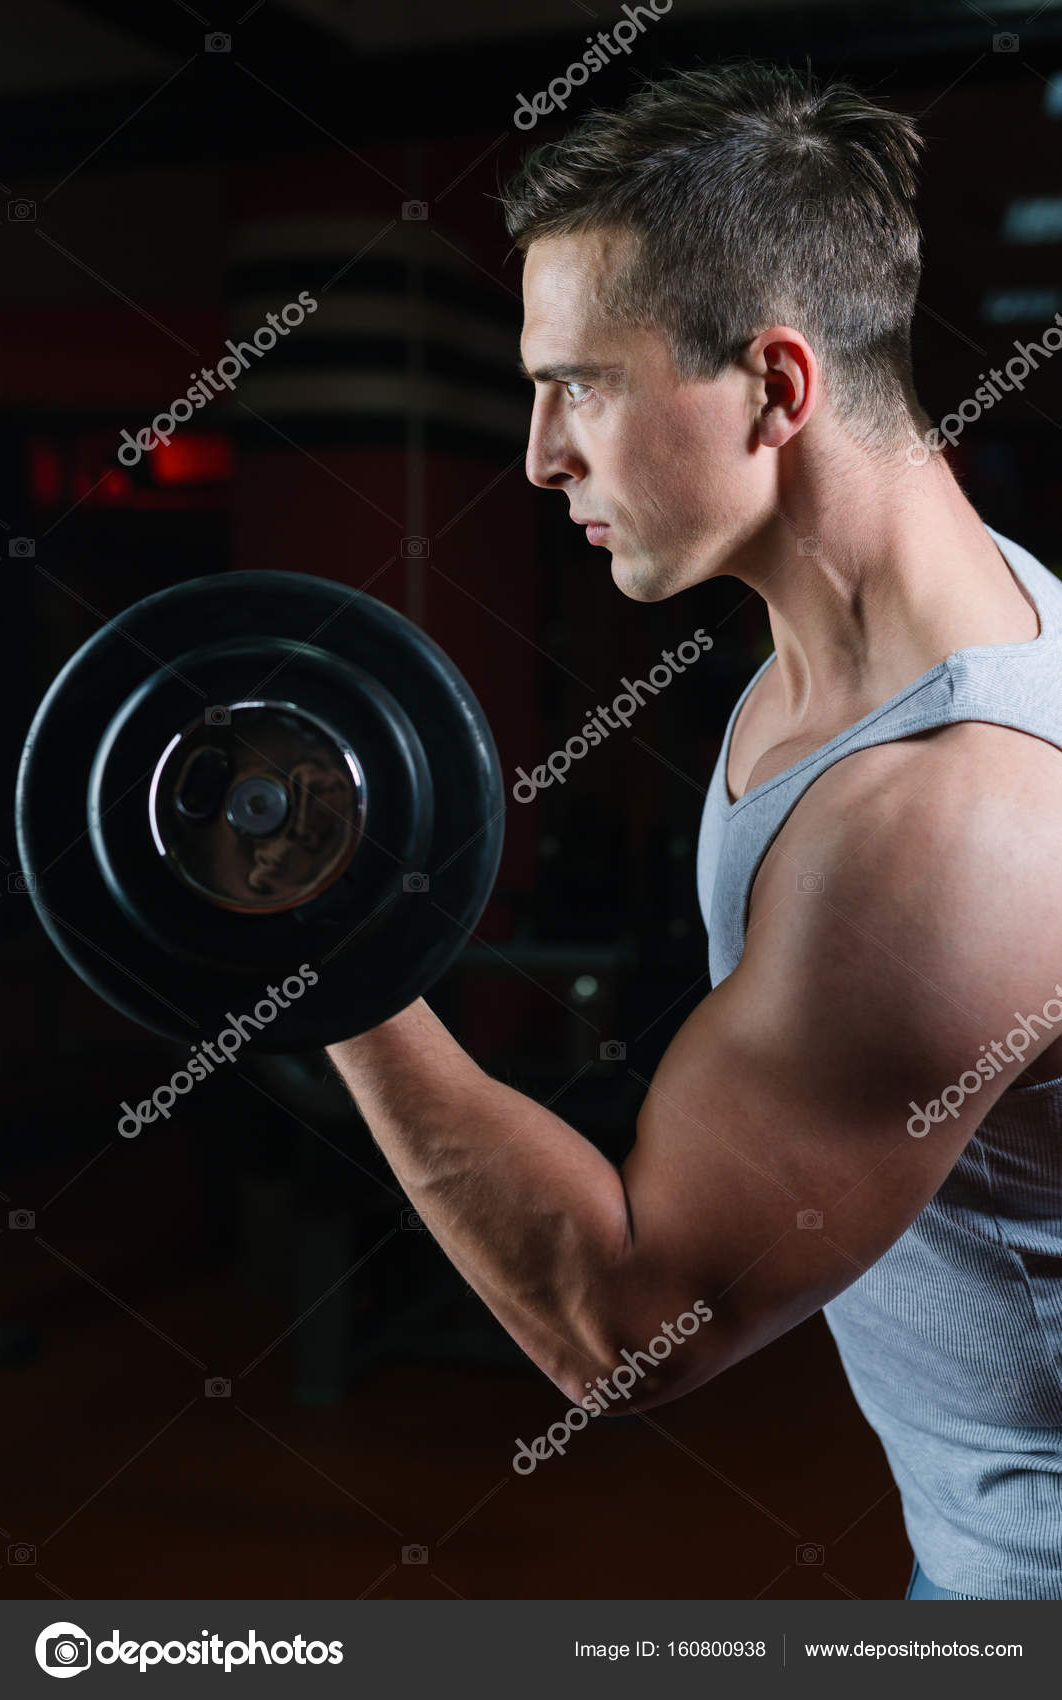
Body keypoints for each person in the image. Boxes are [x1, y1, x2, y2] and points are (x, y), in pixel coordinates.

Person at [327, 61, 1062, 1601]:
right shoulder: (890, 630)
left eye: (583, 385)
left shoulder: (948, 817)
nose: (542, 453)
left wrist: (326, 958)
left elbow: (623, 1323)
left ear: (778, 389)